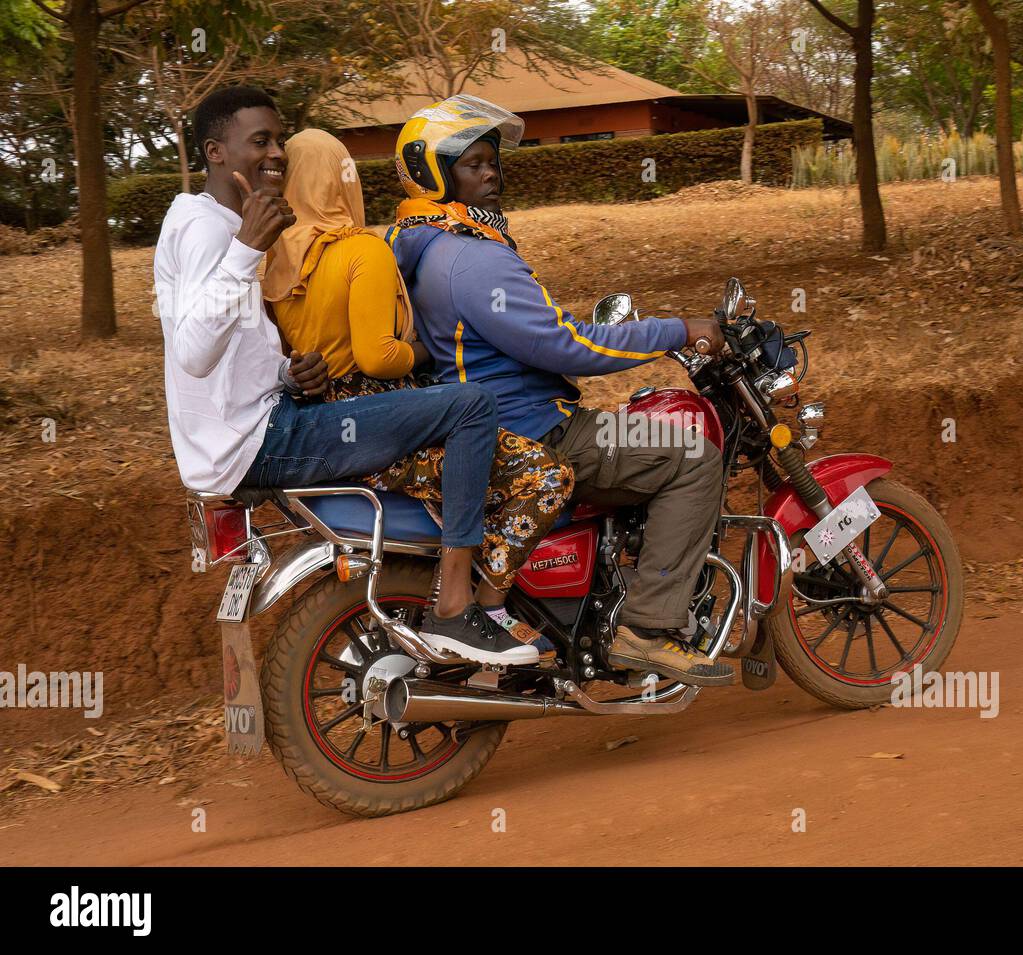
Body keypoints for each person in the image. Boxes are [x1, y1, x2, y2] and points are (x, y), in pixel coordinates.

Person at [154, 86, 541, 666]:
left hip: (255, 424)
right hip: (262, 441)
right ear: (215, 152)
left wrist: (286, 371)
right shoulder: (219, 233)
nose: (277, 155)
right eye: (259, 141)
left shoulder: (195, 220)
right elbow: (192, 353)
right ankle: (458, 608)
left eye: (280, 141)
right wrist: (245, 249)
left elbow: (219, 348)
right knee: (471, 406)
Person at [386, 95, 734, 687]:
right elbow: (568, 346)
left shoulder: (420, 245)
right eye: (473, 163)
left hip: (485, 419)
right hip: (534, 426)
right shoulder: (471, 260)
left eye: (493, 161)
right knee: (694, 457)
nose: (491, 172)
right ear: (433, 174)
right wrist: (678, 329)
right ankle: (648, 630)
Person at [262, 127, 572, 657]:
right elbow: (377, 357)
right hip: (382, 413)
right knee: (548, 475)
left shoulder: (273, 262)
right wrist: (425, 353)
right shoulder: (362, 250)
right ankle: (475, 606)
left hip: (322, 418)